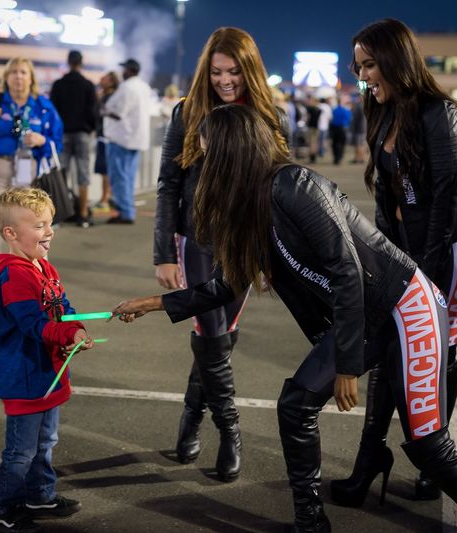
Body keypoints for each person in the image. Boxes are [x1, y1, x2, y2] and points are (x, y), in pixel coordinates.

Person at [112, 104, 457, 533]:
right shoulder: (246, 203)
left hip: (408, 309)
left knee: (428, 447)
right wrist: (155, 304)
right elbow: (226, 285)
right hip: (364, 316)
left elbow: (348, 271)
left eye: (205, 147)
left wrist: (347, 366)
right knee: (295, 404)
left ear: (230, 149)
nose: (200, 156)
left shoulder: (295, 184)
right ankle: (311, 524)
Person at [330, 18, 457, 505]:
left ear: (396, 61)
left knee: (436, 350)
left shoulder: (440, 113)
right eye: (359, 67)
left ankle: (434, 462)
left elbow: (444, 199)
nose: (363, 77)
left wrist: (426, 271)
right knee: (386, 339)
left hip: (456, 246)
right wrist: (387, 260)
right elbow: (384, 196)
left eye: (370, 65)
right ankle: (368, 461)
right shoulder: (377, 110)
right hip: (406, 246)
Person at [153, 26, 289, 482]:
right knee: (211, 332)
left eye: (233, 71)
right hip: (196, 242)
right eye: (216, 72)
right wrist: (163, 254)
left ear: (249, 69)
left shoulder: (272, 117)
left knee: (221, 335)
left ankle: (190, 418)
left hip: (246, 246)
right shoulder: (187, 112)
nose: (225, 80)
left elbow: (277, 191)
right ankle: (230, 432)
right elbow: (169, 185)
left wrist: (273, 255)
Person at [0, 187, 92, 533]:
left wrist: (77, 327)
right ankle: (6, 507)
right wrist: (68, 335)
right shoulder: (13, 276)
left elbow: (61, 306)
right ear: (11, 234)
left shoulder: (43, 266)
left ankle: (40, 495)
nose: (49, 231)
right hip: (24, 376)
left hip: (48, 371)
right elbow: (33, 324)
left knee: (46, 442)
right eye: (39, 225)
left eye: (50, 224)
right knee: (21, 452)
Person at [0, 57, 63, 317]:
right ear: (6, 77)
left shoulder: (43, 107)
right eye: (14, 73)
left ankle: (38, 292)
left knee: (32, 235)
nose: (18, 77)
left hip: (27, 174)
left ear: (31, 77)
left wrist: (42, 139)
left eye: (23, 72)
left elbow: (57, 139)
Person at [50, 50, 98, 228]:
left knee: (61, 173)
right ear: (81, 63)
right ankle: (83, 215)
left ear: (68, 62)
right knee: (83, 173)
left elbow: (53, 112)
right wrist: (90, 128)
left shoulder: (59, 84)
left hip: (63, 133)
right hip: (83, 133)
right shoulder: (88, 85)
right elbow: (93, 111)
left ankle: (59, 215)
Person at [103, 58, 152, 224]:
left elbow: (119, 113)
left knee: (119, 177)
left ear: (129, 71)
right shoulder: (144, 87)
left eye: (124, 69)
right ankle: (127, 209)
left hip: (122, 138)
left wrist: (104, 111)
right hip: (138, 138)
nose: (122, 72)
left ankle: (125, 212)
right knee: (129, 177)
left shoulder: (126, 87)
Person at [93, 71, 119, 211]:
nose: (101, 80)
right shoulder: (106, 95)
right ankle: (107, 198)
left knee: (106, 170)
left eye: (105, 79)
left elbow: (103, 113)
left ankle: (105, 198)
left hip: (106, 136)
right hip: (104, 135)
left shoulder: (110, 96)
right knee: (106, 170)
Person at [329, 99, 351, 165]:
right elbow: (349, 119)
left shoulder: (334, 110)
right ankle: (340, 157)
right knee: (341, 143)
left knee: (334, 143)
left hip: (334, 128)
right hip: (342, 128)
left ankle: (335, 158)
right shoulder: (345, 110)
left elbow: (331, 118)